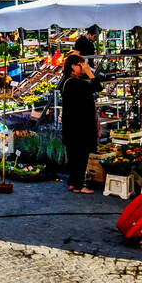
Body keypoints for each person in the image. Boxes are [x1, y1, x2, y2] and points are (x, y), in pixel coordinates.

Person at [60, 54, 109, 193]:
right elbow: (97, 86)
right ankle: (79, 185)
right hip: (80, 126)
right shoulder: (74, 82)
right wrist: (89, 72)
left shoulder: (68, 81)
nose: (83, 67)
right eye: (81, 65)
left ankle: (74, 183)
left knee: (74, 155)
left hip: (72, 126)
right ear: (73, 67)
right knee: (80, 156)